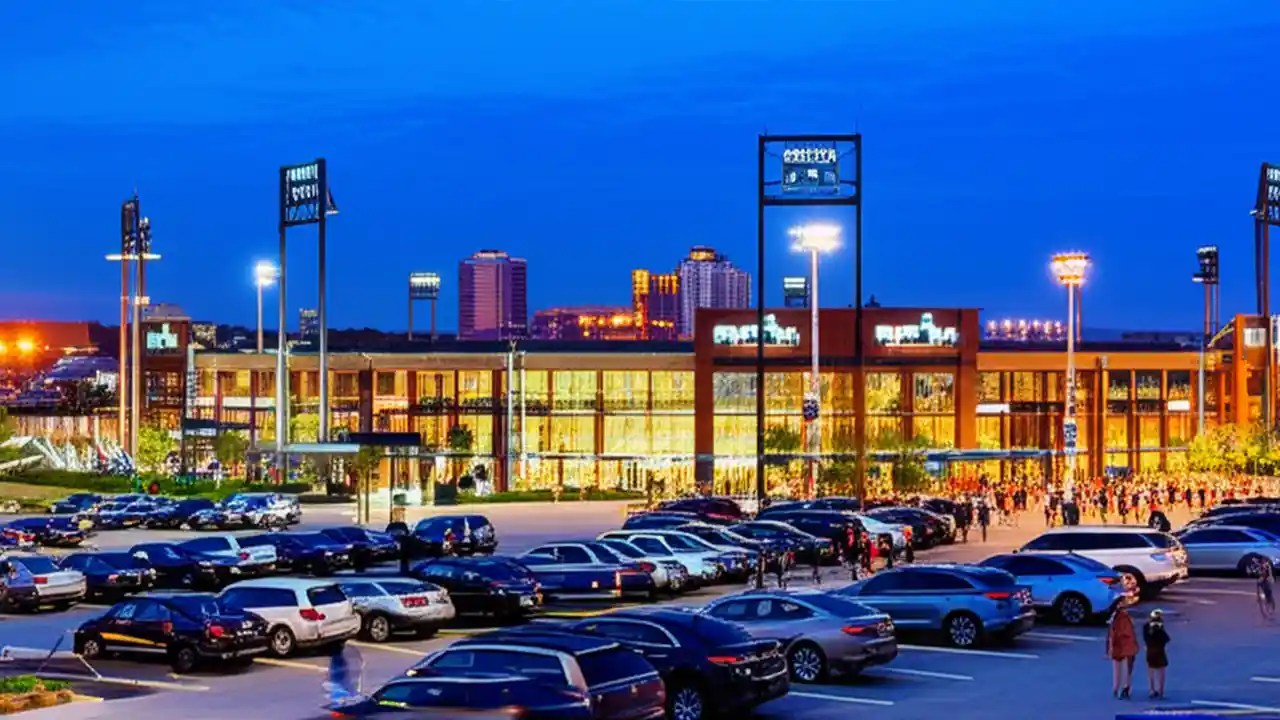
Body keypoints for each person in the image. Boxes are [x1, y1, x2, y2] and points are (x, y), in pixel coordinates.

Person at [1106, 607, 1139, 699]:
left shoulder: (1116, 618)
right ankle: (1124, 687)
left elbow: (1112, 635)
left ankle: (1117, 688)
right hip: (1126, 647)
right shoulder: (1124, 618)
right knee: (1126, 668)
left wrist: (1110, 648)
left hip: (1119, 646)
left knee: (1118, 666)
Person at [1143, 609, 1170, 699]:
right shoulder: (1160, 627)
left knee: (1151, 670)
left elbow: (1145, 638)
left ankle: (1152, 689)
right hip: (1160, 651)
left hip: (1150, 651)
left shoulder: (1146, 627)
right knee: (1161, 671)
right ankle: (1161, 690)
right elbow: (1166, 638)